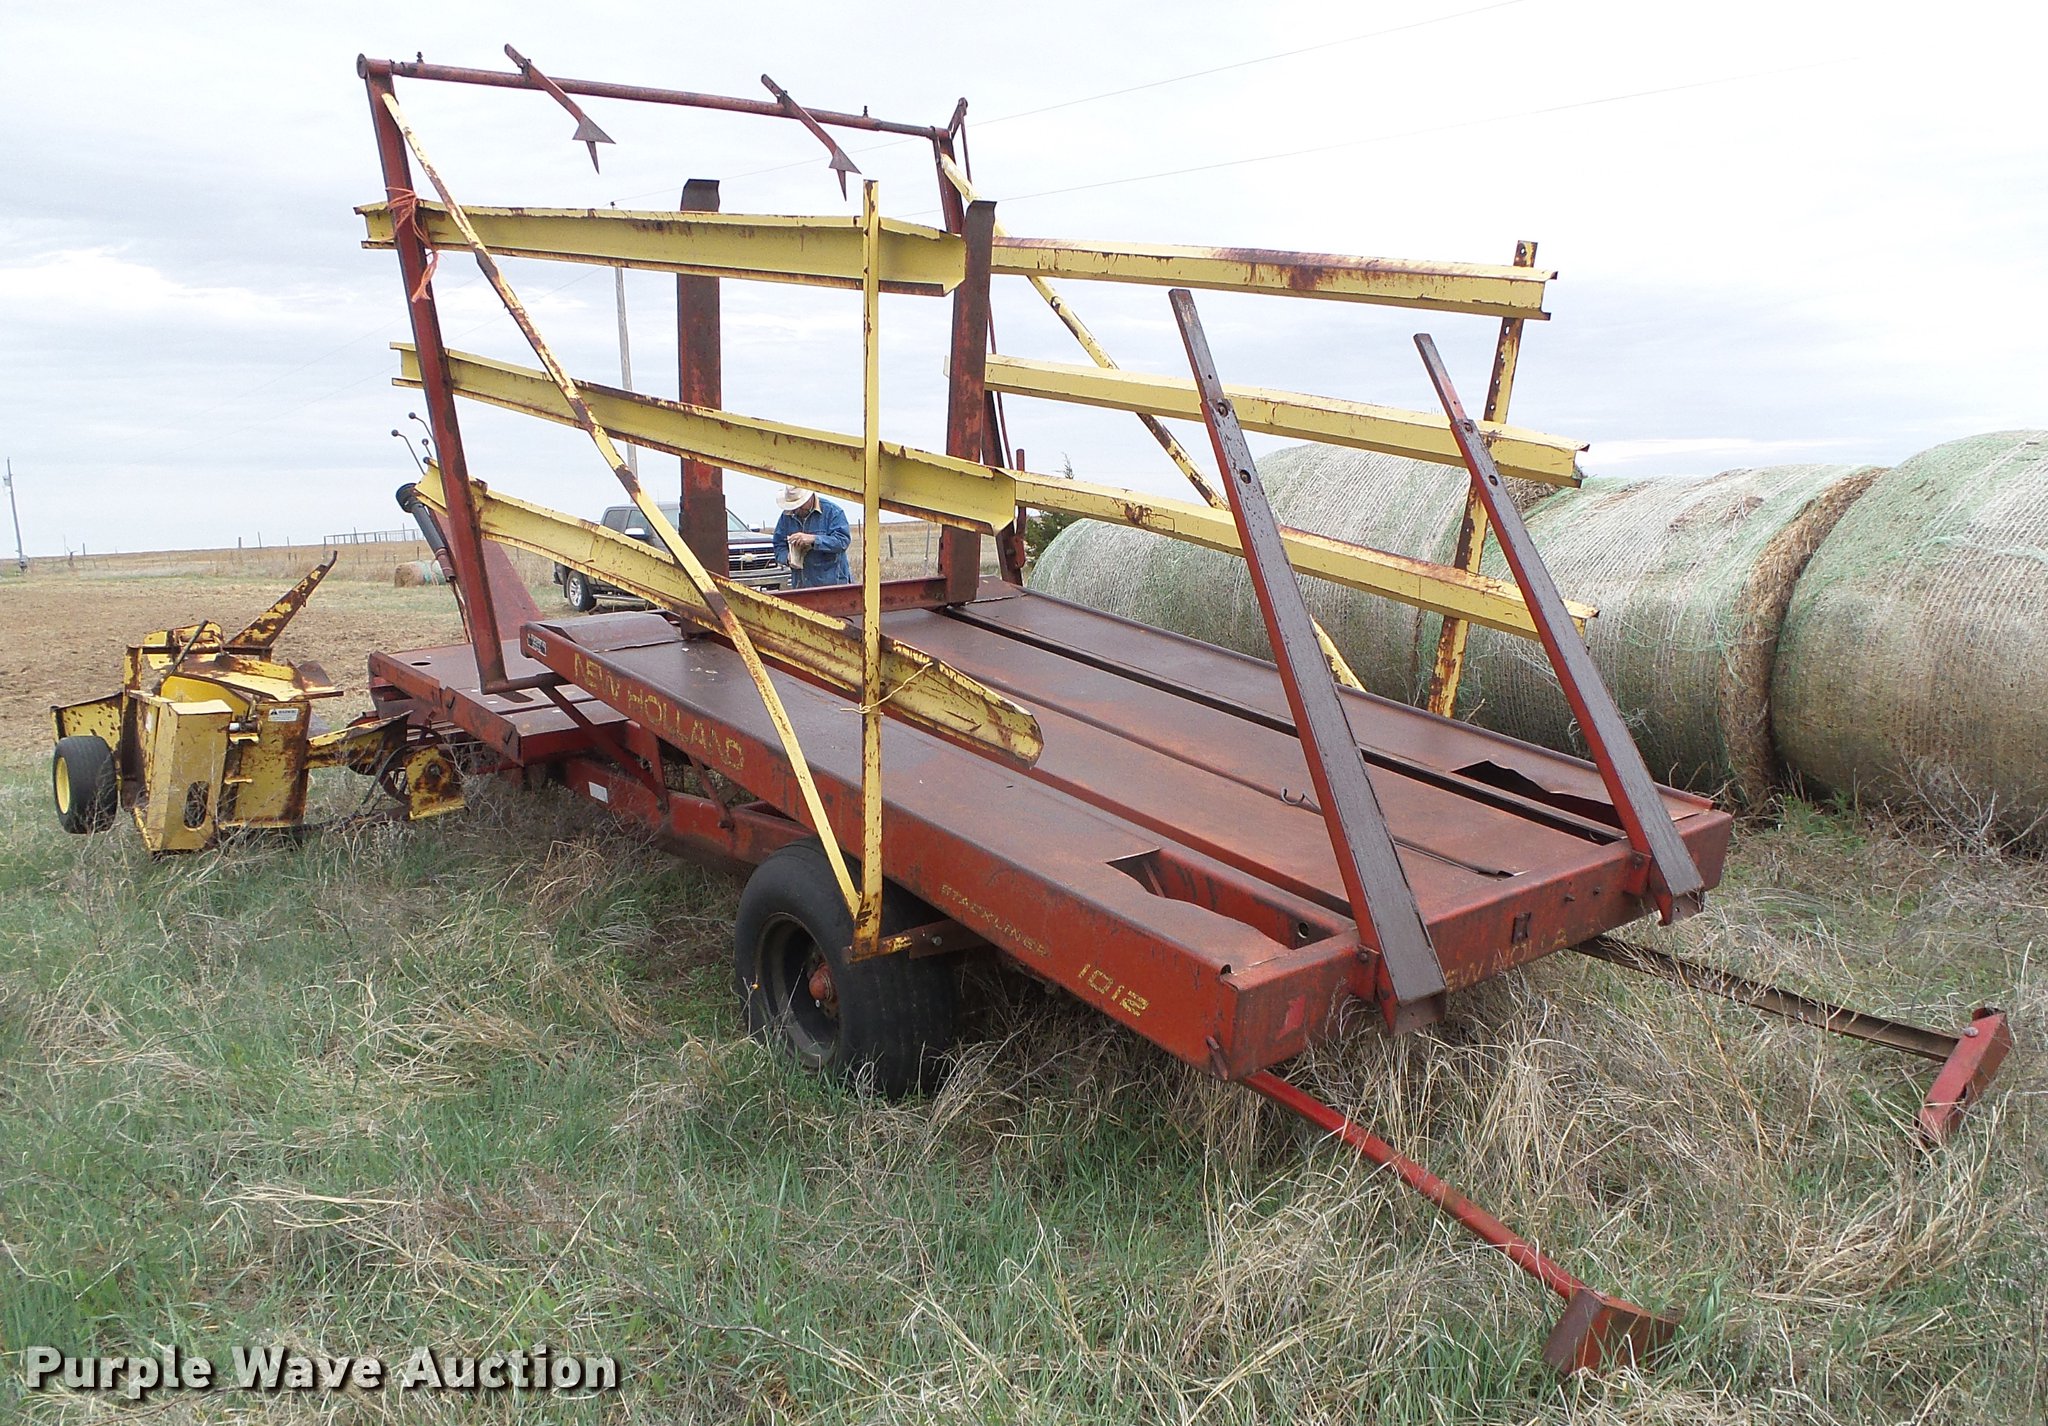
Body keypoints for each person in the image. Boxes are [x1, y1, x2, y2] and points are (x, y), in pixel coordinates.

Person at [771, 486, 852, 588]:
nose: (796, 510)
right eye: (793, 507)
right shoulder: (786, 516)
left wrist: (813, 539)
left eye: (800, 505)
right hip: (801, 585)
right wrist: (788, 557)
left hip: (832, 586)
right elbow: (778, 545)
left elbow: (842, 541)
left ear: (810, 497)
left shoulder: (833, 512)